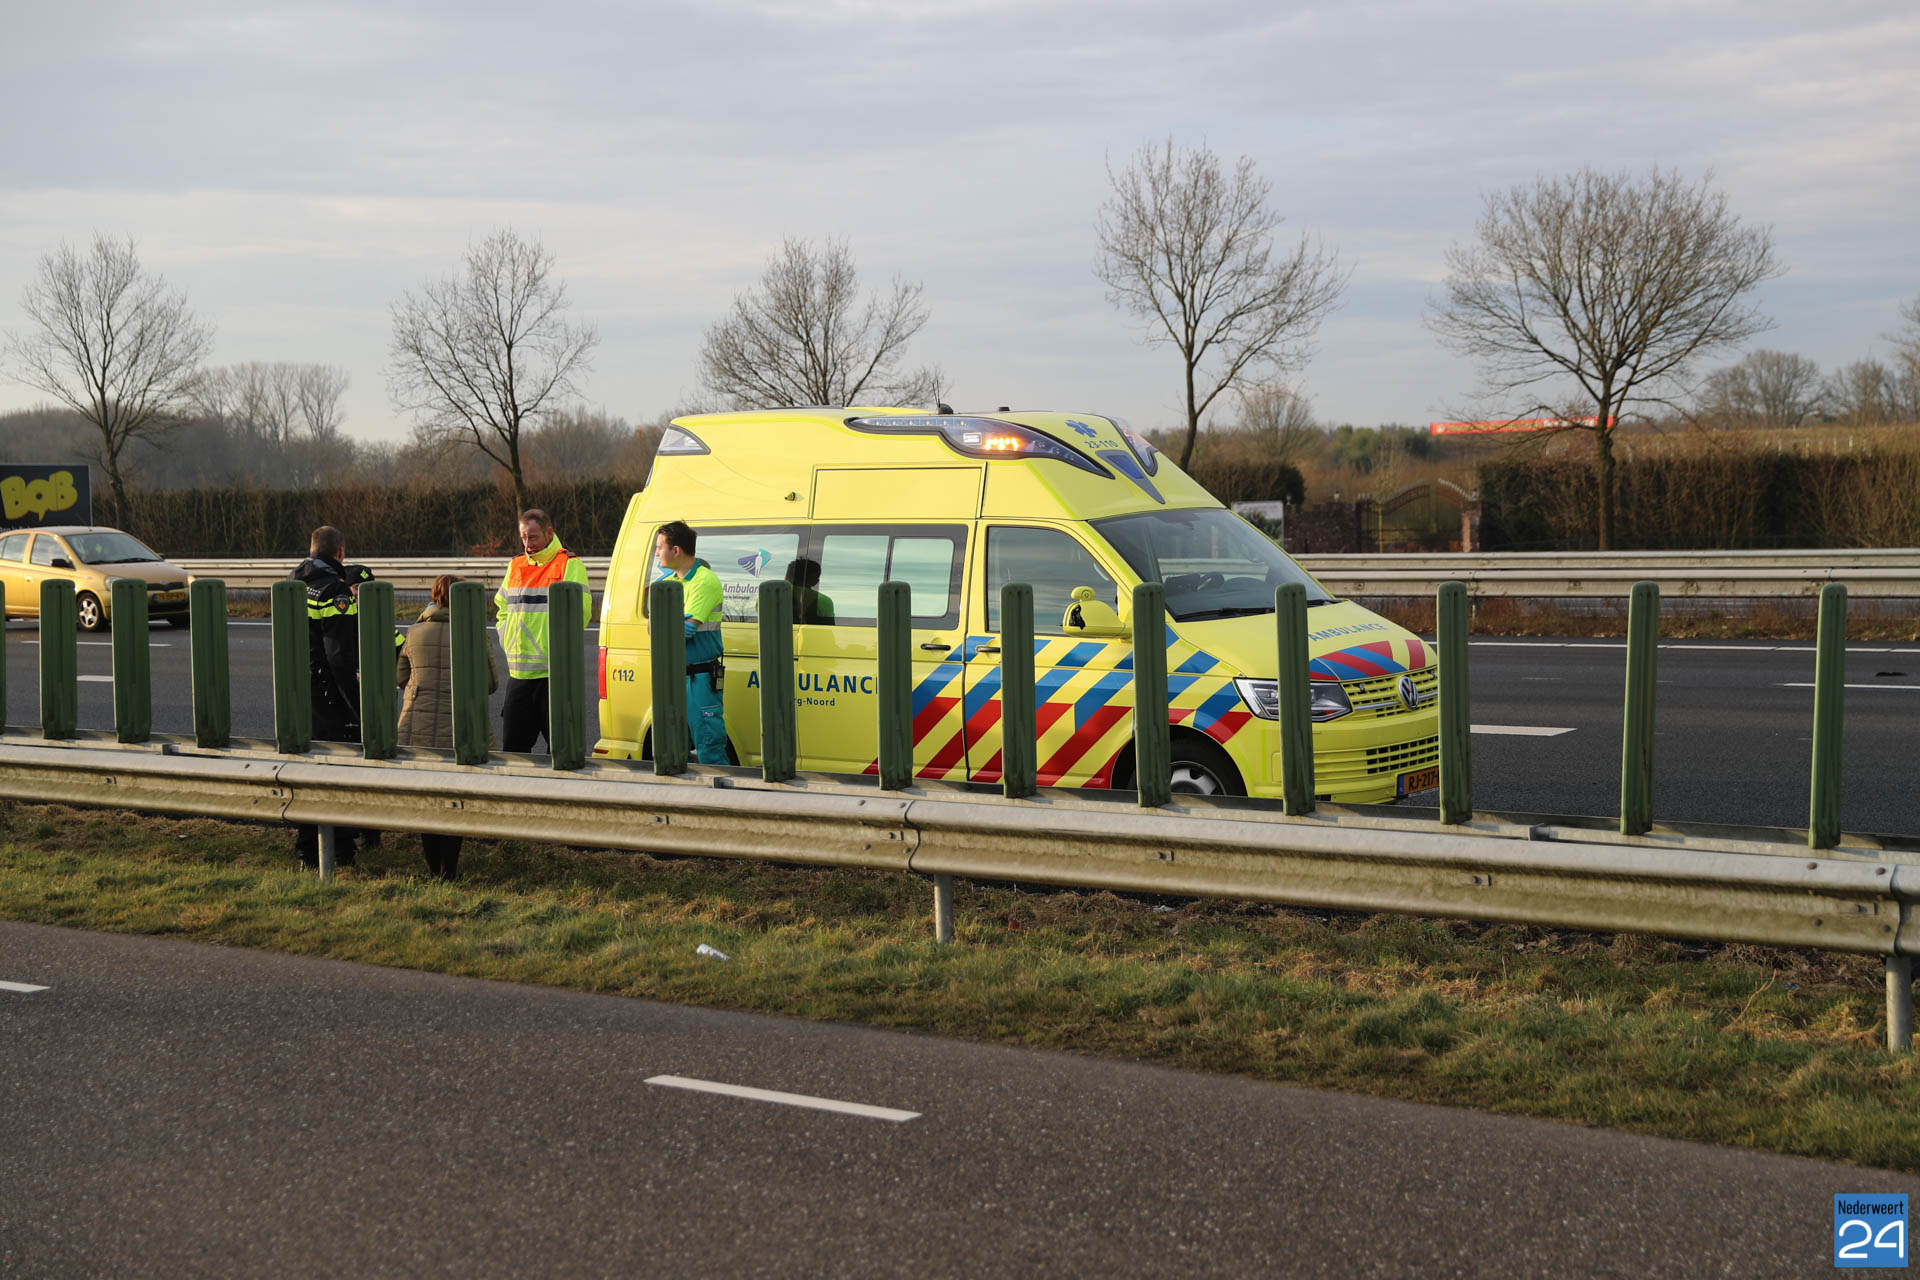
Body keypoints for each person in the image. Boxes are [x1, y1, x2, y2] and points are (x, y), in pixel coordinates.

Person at [397, 574, 499, 879]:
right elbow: (490, 684)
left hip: (420, 730)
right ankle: (450, 872)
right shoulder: (473, 635)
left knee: (429, 804)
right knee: (454, 802)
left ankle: (432, 872)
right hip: (461, 730)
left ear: (434, 597)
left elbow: (400, 678)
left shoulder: (414, 633)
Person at [290, 525, 364, 868]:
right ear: (340, 553)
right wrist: (356, 701)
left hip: (297, 692)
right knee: (339, 771)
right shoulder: (334, 590)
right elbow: (339, 656)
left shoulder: (292, 583)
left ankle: (307, 850)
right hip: (327, 696)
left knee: (305, 773)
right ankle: (343, 852)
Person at [494, 508, 590, 753]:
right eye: (523, 537)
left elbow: (581, 614)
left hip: (553, 675)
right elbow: (502, 607)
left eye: (533, 537)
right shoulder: (515, 565)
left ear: (549, 533)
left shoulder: (569, 564)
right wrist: (507, 639)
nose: (527, 544)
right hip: (519, 676)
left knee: (562, 752)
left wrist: (555, 648)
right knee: (514, 752)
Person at [655, 520, 728, 765]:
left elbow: (685, 631)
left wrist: (666, 625)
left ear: (676, 550)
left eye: (659, 547)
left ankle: (722, 801)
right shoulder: (667, 584)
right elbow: (651, 628)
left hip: (700, 679)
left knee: (709, 747)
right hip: (675, 678)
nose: (657, 553)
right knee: (673, 749)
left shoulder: (705, 582)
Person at [785, 556, 835, 624]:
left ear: (788, 576)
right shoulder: (823, 601)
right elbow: (829, 627)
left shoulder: (772, 594)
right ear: (815, 582)